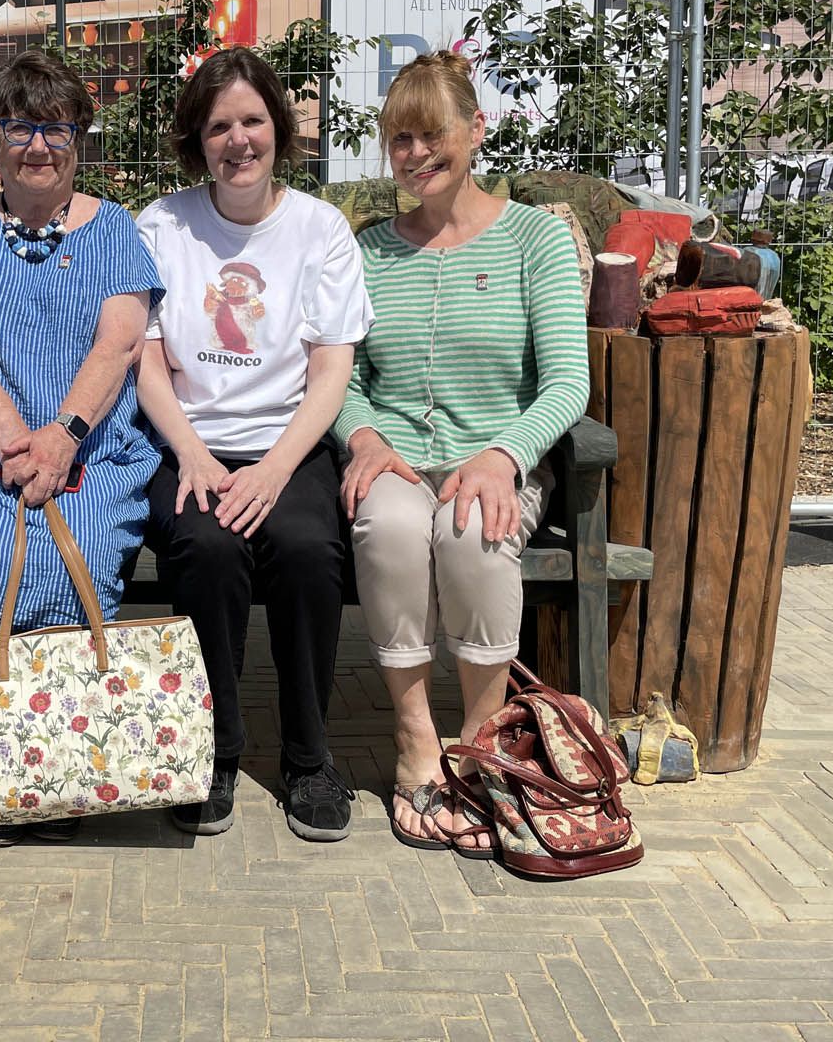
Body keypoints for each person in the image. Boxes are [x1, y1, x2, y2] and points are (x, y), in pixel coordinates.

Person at [334, 51, 589, 855]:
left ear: (476, 131)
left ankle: (480, 743)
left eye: (431, 133)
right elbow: (340, 373)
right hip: (399, 461)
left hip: (495, 463)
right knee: (391, 527)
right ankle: (415, 739)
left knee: (474, 529)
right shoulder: (370, 249)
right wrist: (363, 434)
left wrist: (505, 456)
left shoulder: (534, 240)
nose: (415, 154)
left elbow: (567, 382)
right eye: (399, 139)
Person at [0, 49, 164, 847]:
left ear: (79, 138)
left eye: (56, 127)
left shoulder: (114, 228)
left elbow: (120, 342)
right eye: (20, 126)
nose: (39, 146)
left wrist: (62, 439)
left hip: (92, 459)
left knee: (78, 553)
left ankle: (65, 767)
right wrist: (15, 439)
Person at [135, 47, 375, 841]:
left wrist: (274, 471)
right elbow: (147, 363)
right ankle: (214, 750)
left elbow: (332, 370)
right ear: (195, 141)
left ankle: (309, 757)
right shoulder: (162, 225)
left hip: (289, 445)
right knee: (205, 548)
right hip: (190, 443)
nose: (238, 140)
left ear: (278, 126)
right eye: (218, 127)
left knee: (307, 549)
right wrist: (194, 455)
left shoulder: (319, 229)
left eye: (251, 121)